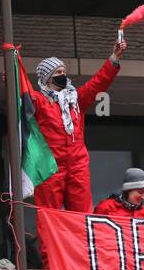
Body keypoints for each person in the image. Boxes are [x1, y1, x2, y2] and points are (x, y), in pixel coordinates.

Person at [31, 34, 127, 215]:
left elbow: (97, 84)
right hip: (50, 166)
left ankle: (81, 244)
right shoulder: (39, 101)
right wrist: (11, 78)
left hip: (77, 165)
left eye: (63, 71)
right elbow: (21, 92)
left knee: (82, 215)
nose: (63, 75)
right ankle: (50, 245)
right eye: (58, 73)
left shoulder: (75, 99)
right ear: (47, 78)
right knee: (49, 215)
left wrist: (114, 58)